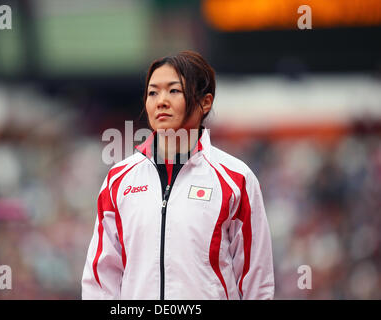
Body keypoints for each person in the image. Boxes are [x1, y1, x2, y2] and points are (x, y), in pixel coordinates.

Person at [82, 51, 274, 300]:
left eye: (174, 91)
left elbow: (256, 281)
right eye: (153, 92)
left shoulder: (236, 179)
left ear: (205, 102)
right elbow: (100, 278)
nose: (161, 101)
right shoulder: (119, 180)